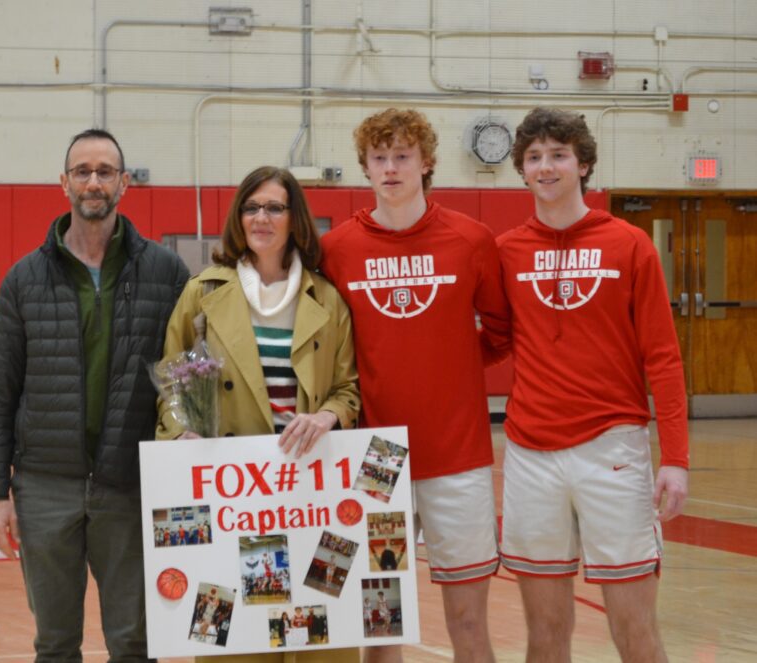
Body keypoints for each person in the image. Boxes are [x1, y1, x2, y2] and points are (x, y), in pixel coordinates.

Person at [0, 128, 189, 661]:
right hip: (46, 488)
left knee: (136, 642)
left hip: (131, 485)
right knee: (54, 643)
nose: (93, 182)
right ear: (63, 183)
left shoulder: (166, 273)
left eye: (105, 172)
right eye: (82, 172)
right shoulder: (24, 279)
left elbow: (187, 375)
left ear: (124, 184)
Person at [490, 106, 689, 662]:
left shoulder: (630, 245)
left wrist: (676, 457)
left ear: (583, 165)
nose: (546, 166)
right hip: (530, 454)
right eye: (534, 157)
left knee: (634, 631)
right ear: (522, 170)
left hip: (613, 451)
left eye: (559, 155)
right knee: (546, 634)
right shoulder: (506, 252)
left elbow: (664, 360)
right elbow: (492, 344)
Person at [321, 108, 506, 662]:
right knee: (380, 625)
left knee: (469, 623)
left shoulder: (472, 240)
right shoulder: (338, 250)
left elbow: (500, 332)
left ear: (426, 163)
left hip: (458, 458)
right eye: (379, 158)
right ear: (365, 168)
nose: (391, 168)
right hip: (376, 458)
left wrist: (446, 361)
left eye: (403, 156)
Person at [157, 165, 361, 663]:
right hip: (235, 495)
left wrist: (328, 417)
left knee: (319, 638)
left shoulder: (326, 298)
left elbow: (348, 390)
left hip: (309, 488)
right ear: (238, 218)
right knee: (239, 643)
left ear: (296, 219)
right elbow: (170, 385)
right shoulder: (203, 292)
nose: (261, 218)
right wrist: (180, 432)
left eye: (274, 207)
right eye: (251, 207)